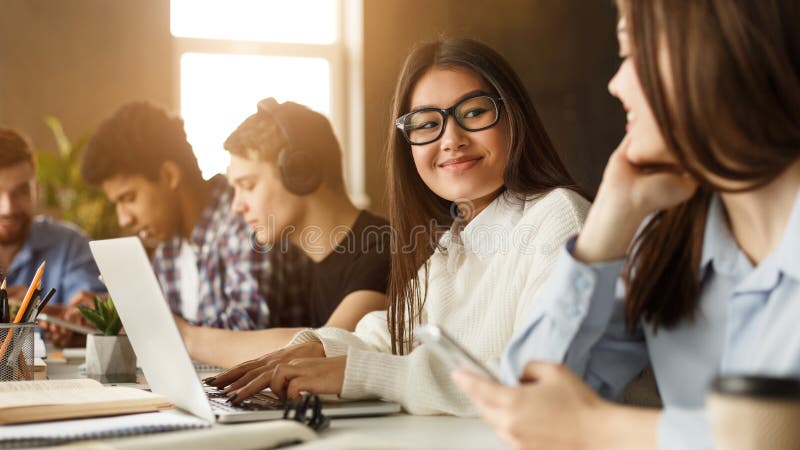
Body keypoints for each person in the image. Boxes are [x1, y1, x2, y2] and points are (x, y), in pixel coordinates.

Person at [454, 1, 800, 449]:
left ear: (718, 53)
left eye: (632, 51)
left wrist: (595, 428)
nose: (616, 84)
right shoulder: (665, 237)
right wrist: (605, 228)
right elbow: (527, 406)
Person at [207, 38, 590, 414]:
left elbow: (537, 382)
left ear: (514, 117)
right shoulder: (455, 241)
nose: (451, 140)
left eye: (473, 113)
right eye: (426, 124)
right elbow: (391, 333)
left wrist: (360, 373)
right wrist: (316, 349)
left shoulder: (558, 217)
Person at [176, 98, 391, 368]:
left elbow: (325, 349)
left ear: (300, 173)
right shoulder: (301, 261)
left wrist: (184, 336)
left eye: (249, 185)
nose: (236, 206)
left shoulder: (384, 249)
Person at [80, 102, 308, 335]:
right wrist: (106, 318)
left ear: (169, 176)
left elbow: (247, 331)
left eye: (128, 198)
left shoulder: (247, 220)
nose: (123, 219)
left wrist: (155, 330)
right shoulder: (169, 247)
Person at [0, 127, 105, 344]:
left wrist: (80, 319)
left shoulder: (71, 244)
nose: (7, 208)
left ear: (36, 190)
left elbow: (92, 307)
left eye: (21, 191)